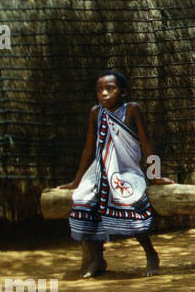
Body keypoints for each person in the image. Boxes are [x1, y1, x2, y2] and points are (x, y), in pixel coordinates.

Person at [56, 70, 172, 278]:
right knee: (83, 200)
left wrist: (155, 175)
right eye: (100, 90)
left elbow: (146, 143)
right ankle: (97, 258)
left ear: (124, 92)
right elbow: (89, 149)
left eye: (110, 89)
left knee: (128, 200)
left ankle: (150, 253)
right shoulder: (95, 113)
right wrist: (76, 181)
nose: (104, 94)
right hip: (99, 171)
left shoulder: (132, 110)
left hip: (126, 171)